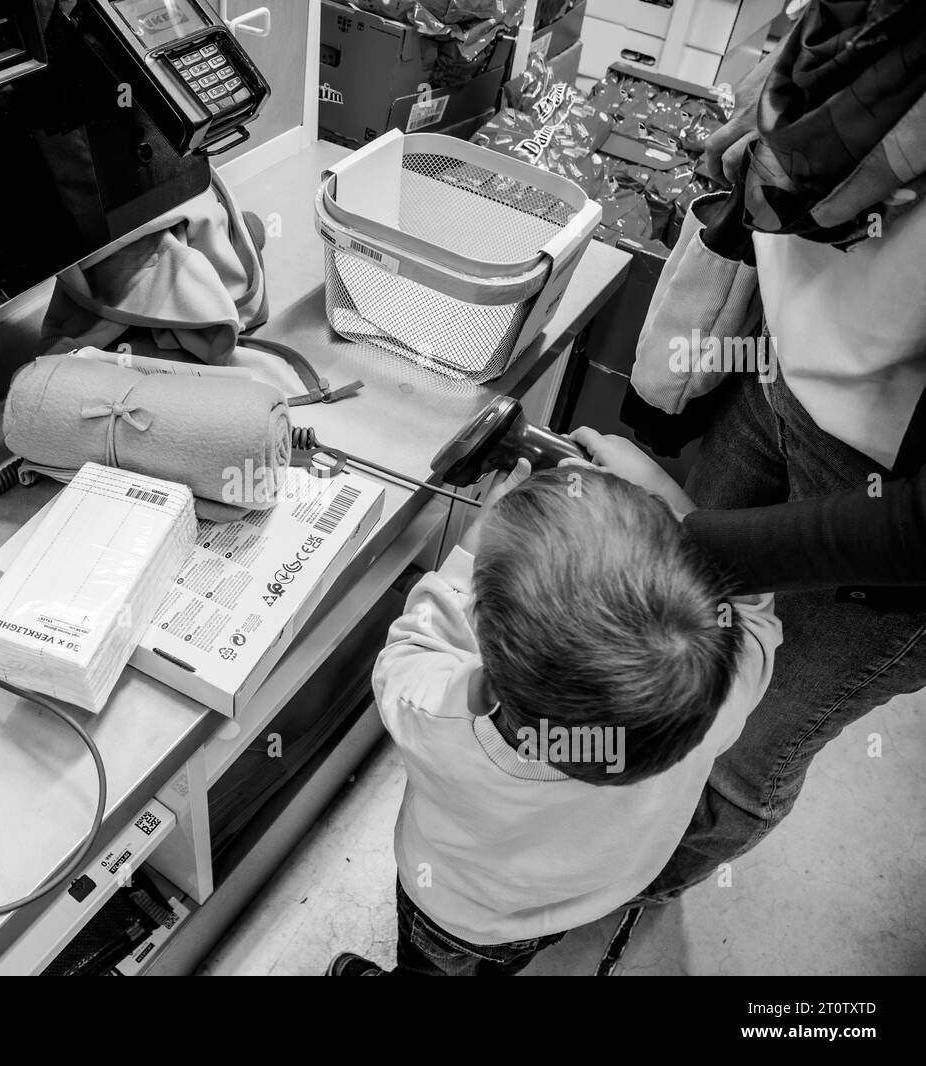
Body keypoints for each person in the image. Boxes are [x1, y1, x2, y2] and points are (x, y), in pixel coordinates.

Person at [571, 0, 926, 902]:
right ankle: (605, 835)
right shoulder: (862, 37)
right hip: (777, 373)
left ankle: (633, 888)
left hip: (888, 519)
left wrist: (692, 541)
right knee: (665, 654)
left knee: (745, 750)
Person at [328, 461, 781, 976]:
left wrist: (471, 548)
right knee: (501, 963)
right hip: (564, 909)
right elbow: (754, 611)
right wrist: (664, 493)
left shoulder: (441, 711)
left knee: (430, 970)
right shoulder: (718, 698)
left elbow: (408, 648)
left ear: (480, 649)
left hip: (449, 914)